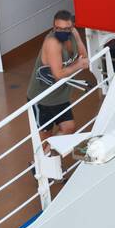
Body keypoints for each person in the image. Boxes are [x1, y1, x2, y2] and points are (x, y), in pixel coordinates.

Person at [27, 11, 90, 139]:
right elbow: (58, 74)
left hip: (60, 96)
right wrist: (77, 65)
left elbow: (84, 56)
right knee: (45, 135)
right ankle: (42, 157)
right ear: (53, 27)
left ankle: (50, 150)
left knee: (69, 128)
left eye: (66, 29)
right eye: (58, 28)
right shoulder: (52, 43)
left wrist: (78, 43)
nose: (62, 31)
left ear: (72, 27)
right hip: (42, 98)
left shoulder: (73, 34)